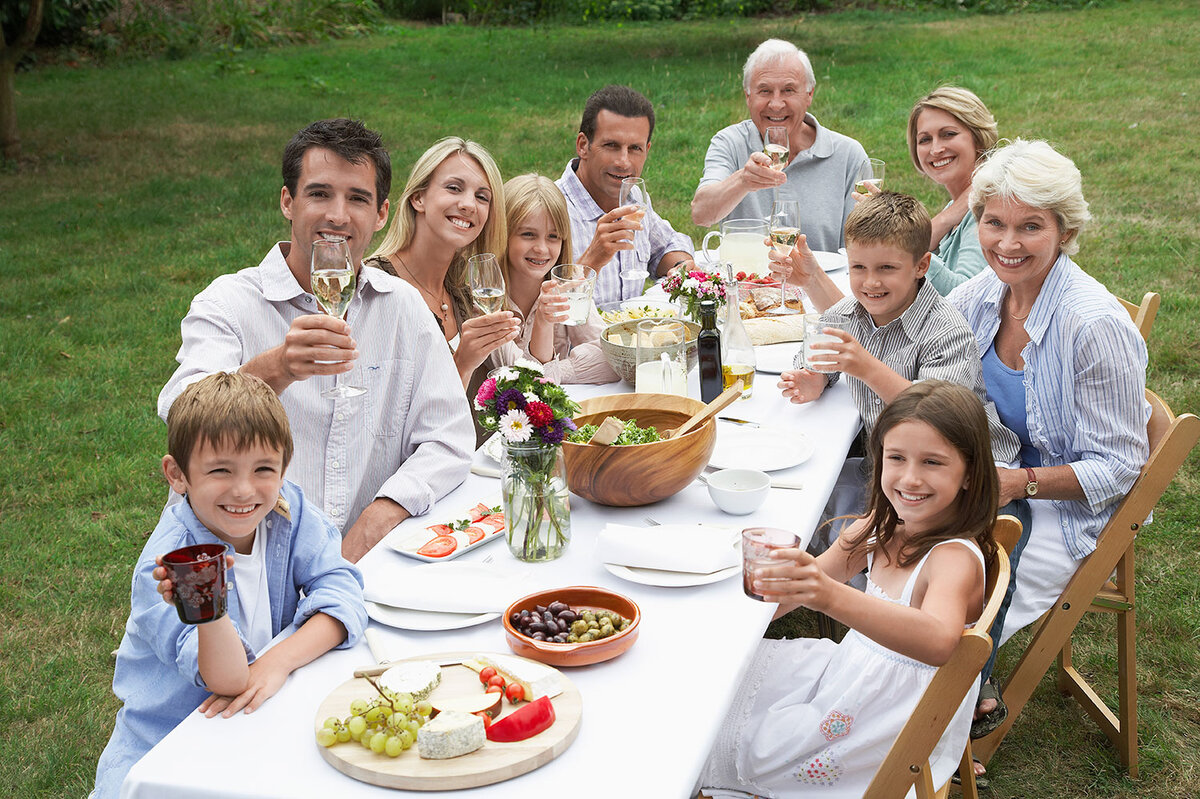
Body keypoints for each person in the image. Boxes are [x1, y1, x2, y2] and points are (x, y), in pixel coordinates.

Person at [158, 119, 473, 563]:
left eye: (357, 199)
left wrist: (373, 523)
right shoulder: (228, 302)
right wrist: (278, 368)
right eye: (320, 193)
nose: (338, 216)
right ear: (288, 202)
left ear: (381, 214)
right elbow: (179, 412)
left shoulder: (402, 307)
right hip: (239, 553)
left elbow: (449, 439)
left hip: (360, 562)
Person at [699, 381, 999, 798]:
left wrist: (828, 595)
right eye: (897, 458)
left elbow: (938, 642)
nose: (911, 478)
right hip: (850, 674)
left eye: (932, 462)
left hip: (880, 721)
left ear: (969, 474)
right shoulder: (884, 524)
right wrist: (748, 611)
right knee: (717, 681)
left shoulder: (953, 559)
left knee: (714, 737)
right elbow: (810, 585)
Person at [948, 139, 1149, 763]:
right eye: (995, 223)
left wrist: (1016, 484)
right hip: (996, 479)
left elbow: (1119, 468)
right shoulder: (983, 293)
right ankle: (934, 693)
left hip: (1069, 506)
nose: (1008, 243)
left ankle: (935, 732)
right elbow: (930, 357)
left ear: (1064, 230)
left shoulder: (1094, 325)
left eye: (1031, 227)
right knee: (905, 550)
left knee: (951, 590)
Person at [93, 372, 366, 798]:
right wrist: (209, 611)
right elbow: (228, 679)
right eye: (220, 470)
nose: (243, 490)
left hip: (260, 721)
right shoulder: (167, 566)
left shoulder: (285, 508)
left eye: (263, 469)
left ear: (283, 468)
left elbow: (342, 589)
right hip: (171, 749)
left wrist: (277, 662)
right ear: (177, 474)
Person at [777, 192, 1018, 548]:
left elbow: (940, 419)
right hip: (892, 465)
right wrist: (813, 378)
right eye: (859, 268)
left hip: (961, 473)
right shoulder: (848, 313)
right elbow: (817, 357)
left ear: (921, 266)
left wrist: (866, 367)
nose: (870, 282)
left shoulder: (946, 330)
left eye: (886, 269)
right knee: (804, 497)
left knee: (871, 544)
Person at [365, 136, 520, 390]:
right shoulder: (377, 287)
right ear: (418, 198)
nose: (469, 204)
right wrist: (462, 363)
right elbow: (385, 408)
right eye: (454, 188)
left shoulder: (465, 283)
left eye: (482, 197)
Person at [691, 38, 868, 253]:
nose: (776, 104)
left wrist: (879, 216)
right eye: (764, 91)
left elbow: (864, 248)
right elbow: (701, 214)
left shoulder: (848, 155)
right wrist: (743, 180)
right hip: (749, 282)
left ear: (809, 94)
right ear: (748, 96)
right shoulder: (729, 142)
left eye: (788, 90)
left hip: (822, 283)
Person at [557, 85, 695, 307]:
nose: (623, 162)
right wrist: (591, 259)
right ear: (583, 146)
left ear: (647, 150)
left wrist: (680, 265)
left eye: (634, 149)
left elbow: (667, 243)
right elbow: (531, 312)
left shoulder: (633, 198)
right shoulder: (549, 210)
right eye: (611, 145)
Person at [490, 173, 618, 384]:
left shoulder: (566, 285)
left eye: (553, 237)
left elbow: (612, 357)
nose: (541, 249)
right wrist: (543, 325)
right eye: (528, 234)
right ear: (503, 234)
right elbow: (522, 381)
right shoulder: (486, 299)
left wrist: (555, 372)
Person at [906, 86, 999, 294]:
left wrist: (899, 242)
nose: (936, 149)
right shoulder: (957, 207)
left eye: (948, 134)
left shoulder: (989, 209)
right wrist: (946, 218)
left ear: (978, 138)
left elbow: (964, 294)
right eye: (925, 139)